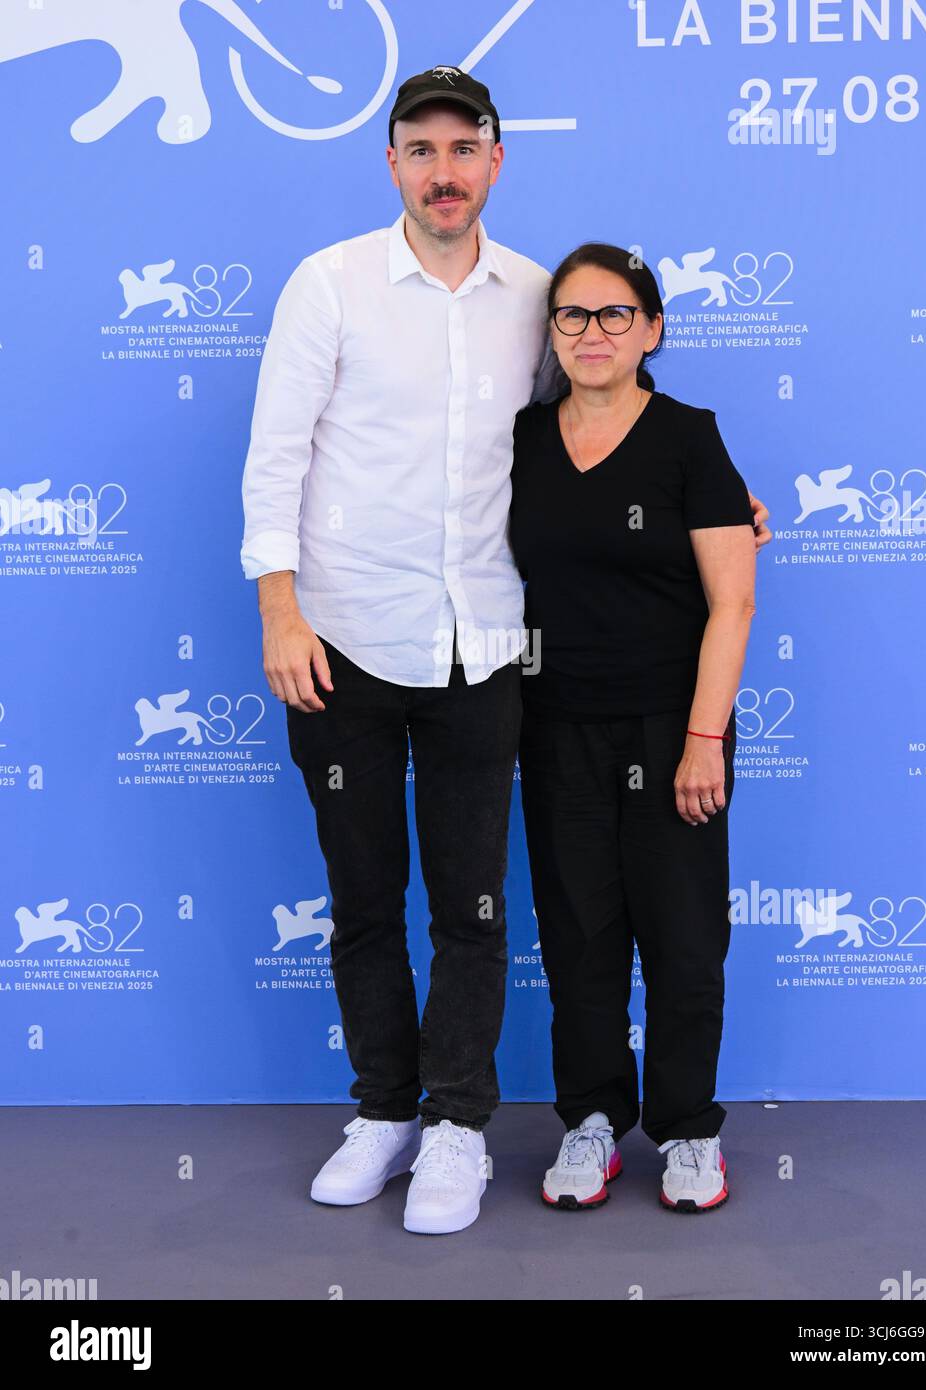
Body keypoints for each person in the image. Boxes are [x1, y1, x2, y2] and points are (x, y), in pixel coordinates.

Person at [240, 68, 772, 1236]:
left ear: (495, 162)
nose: (443, 171)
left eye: (464, 148)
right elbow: (275, 459)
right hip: (339, 643)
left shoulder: (533, 296)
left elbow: (599, 415)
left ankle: (457, 1130)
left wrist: (717, 502)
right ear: (391, 163)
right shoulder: (326, 286)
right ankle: (383, 1111)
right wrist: (280, 610)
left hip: (485, 654)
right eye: (419, 149)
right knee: (364, 900)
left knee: (473, 910)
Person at [509, 243, 757, 1214]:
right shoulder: (522, 439)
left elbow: (731, 603)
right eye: (572, 315)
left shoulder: (690, 438)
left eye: (616, 315)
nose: (593, 333)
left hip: (673, 730)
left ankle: (690, 1130)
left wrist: (704, 738)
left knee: (685, 938)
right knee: (579, 936)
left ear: (653, 329)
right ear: (551, 333)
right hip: (555, 724)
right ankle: (592, 1121)